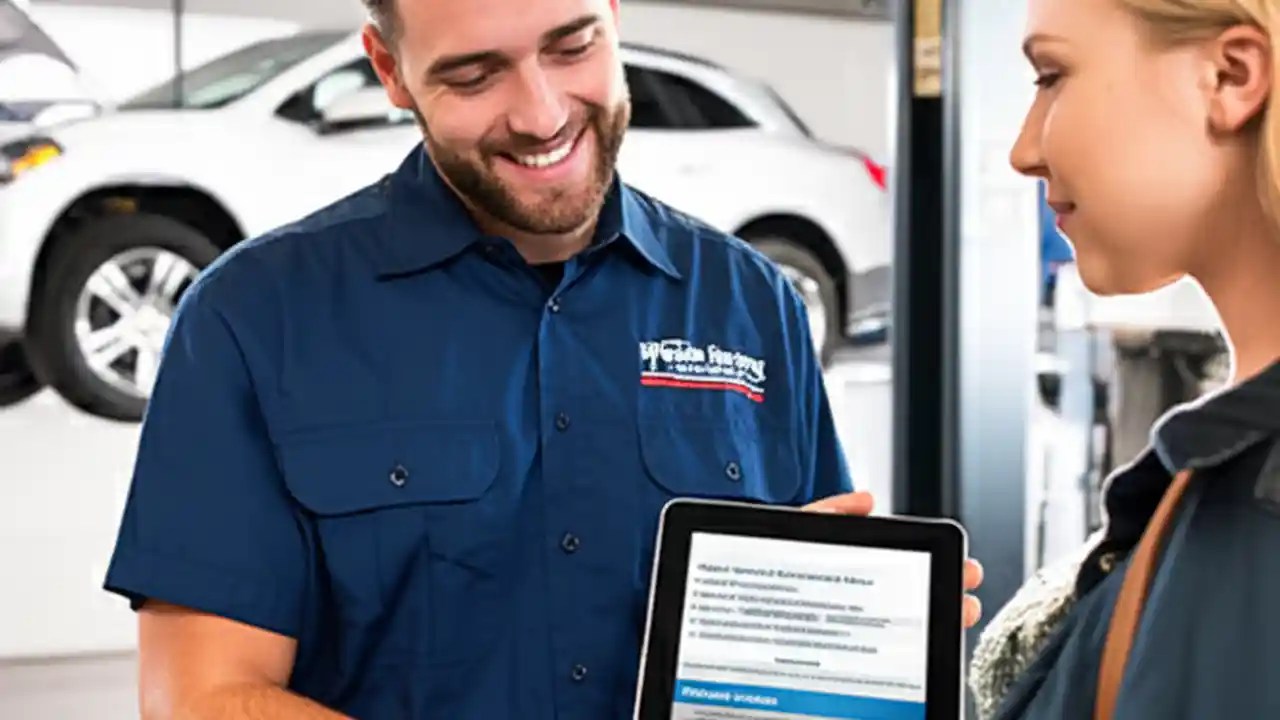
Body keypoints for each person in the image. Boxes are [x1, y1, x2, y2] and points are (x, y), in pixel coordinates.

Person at [101, 0, 982, 717]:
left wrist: (858, 650)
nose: (543, 115)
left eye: (572, 47)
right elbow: (201, 699)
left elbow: (787, 678)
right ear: (389, 69)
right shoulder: (254, 318)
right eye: (474, 75)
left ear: (614, 19)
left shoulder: (752, 304)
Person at [970, 0, 1280, 717]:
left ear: (1230, 76)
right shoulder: (1218, 478)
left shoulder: (1257, 508)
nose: (1024, 150)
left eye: (1052, 75)